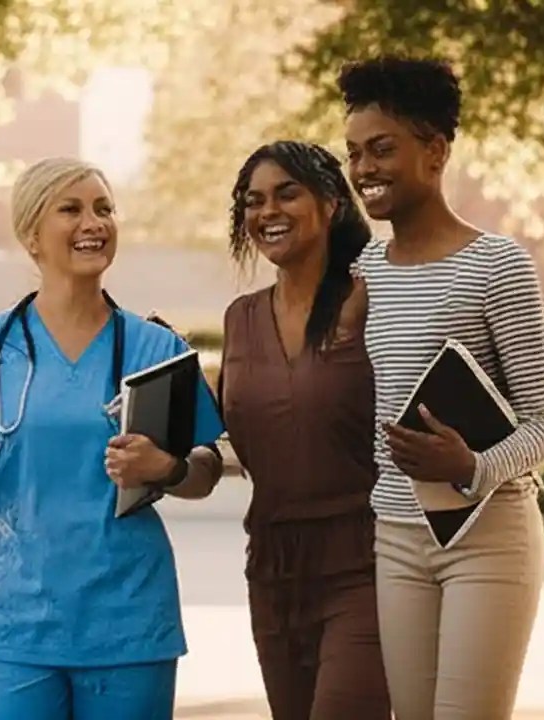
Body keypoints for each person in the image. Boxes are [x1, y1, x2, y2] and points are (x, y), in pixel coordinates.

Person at [0, 157, 226, 720]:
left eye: (104, 209)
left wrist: (165, 468)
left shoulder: (156, 348)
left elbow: (206, 467)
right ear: (32, 234)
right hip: (16, 621)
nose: (95, 222)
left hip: (129, 617)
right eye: (72, 209)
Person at [339, 56, 544, 719]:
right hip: (397, 535)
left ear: (435, 152)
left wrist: (471, 465)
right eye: (354, 154)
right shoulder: (366, 268)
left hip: (488, 535)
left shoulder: (497, 264)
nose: (363, 170)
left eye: (382, 149)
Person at [220, 140, 391, 719]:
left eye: (286, 193)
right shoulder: (240, 320)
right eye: (253, 200)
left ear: (332, 204)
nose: (267, 210)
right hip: (271, 568)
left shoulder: (373, 298)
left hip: (365, 563)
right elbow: (235, 441)